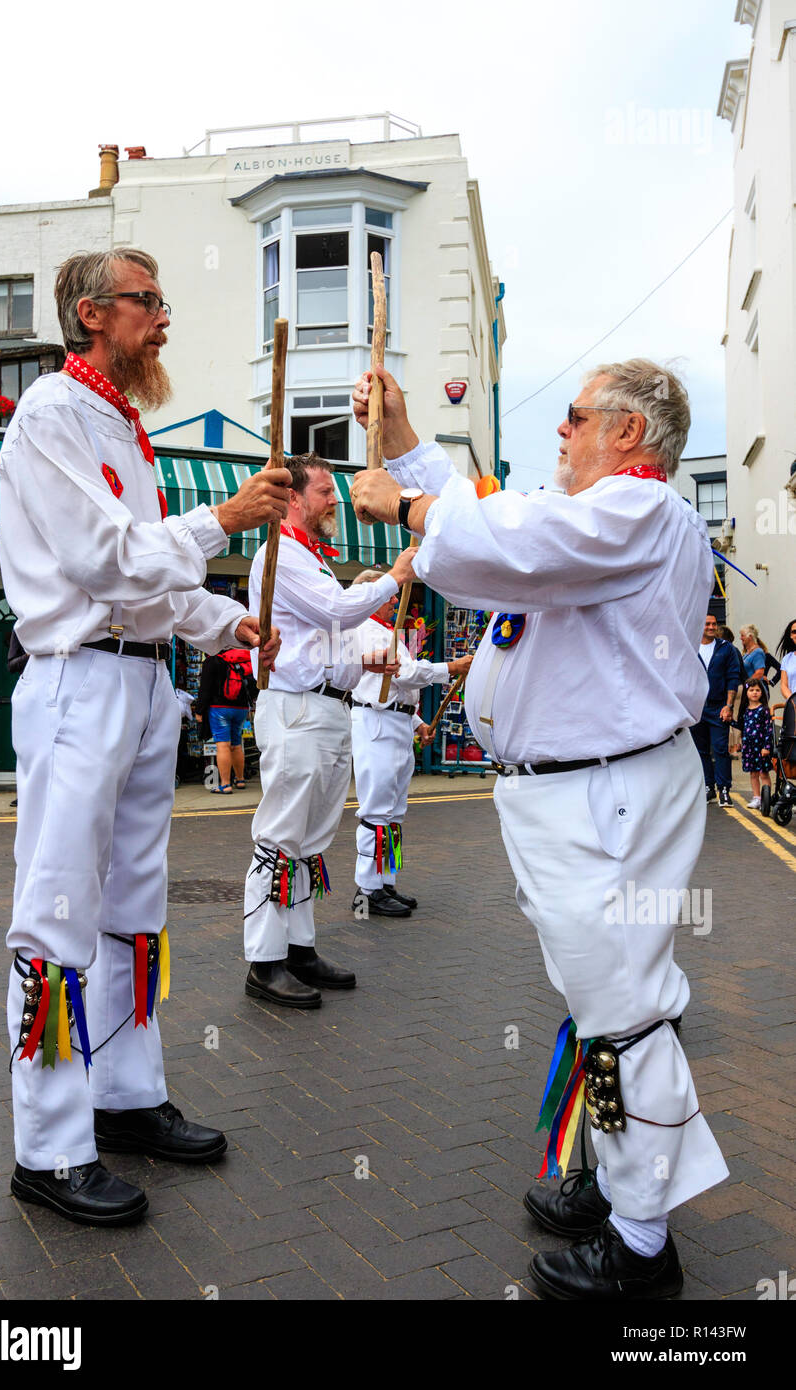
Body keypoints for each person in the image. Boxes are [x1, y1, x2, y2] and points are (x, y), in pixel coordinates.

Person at [350, 357, 728, 1301]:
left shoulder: (639, 511)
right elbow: (494, 517)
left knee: (624, 1018)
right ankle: (613, 1180)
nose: (561, 433)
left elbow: (505, 534)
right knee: (602, 1002)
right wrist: (402, 437)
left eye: (575, 417)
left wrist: (401, 504)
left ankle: (643, 1244)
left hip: (606, 798)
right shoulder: (598, 521)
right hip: (578, 798)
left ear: (629, 433)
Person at [0, 248, 290, 1227]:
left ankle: (124, 1097)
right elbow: (103, 559)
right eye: (146, 301)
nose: (163, 318)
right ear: (92, 313)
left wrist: (224, 624)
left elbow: (150, 586)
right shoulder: (49, 415)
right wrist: (227, 516)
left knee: (132, 906)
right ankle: (47, 1146)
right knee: (58, 913)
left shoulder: (123, 424)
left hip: (138, 683)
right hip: (79, 685)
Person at [243, 452, 412, 1008]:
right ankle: (264, 963)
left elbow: (325, 637)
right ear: (292, 498)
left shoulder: (307, 558)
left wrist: (365, 662)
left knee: (311, 840)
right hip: (296, 710)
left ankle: (299, 948)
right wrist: (394, 577)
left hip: (328, 708)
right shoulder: (278, 555)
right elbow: (335, 613)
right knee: (281, 836)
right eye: (323, 491)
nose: (334, 499)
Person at [348, 575, 473, 917]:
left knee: (393, 812)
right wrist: (451, 667)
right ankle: (367, 890)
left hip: (396, 722)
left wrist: (418, 724)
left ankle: (385, 881)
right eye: (389, 597)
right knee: (376, 810)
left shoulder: (388, 633)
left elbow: (400, 691)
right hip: (377, 723)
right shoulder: (366, 630)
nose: (394, 602)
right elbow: (403, 675)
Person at [691, 613, 741, 806]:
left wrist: (728, 706)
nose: (711, 627)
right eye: (707, 624)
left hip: (718, 707)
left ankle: (724, 790)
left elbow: (733, 677)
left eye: (714, 623)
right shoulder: (691, 647)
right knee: (701, 750)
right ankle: (708, 788)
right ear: (700, 626)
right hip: (696, 708)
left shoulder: (725, 648)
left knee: (720, 749)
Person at [194, 647, 255, 792]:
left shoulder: (212, 661)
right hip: (241, 709)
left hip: (219, 708)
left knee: (222, 745)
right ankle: (240, 780)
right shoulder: (241, 660)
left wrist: (199, 710)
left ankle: (225, 784)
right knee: (236, 744)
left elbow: (205, 689)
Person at [741, 679, 773, 809]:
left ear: (762, 693)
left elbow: (768, 730)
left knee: (763, 773)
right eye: (751, 690)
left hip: (761, 749)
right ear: (746, 693)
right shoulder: (745, 711)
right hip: (749, 748)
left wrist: (766, 747)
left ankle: (766, 799)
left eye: (758, 690)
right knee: (753, 774)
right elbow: (742, 728)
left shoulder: (764, 710)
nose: (755, 693)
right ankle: (757, 798)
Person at [776, 617, 796, 701]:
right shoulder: (787, 659)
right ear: (791, 636)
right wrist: (793, 700)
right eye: (794, 632)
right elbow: (783, 685)